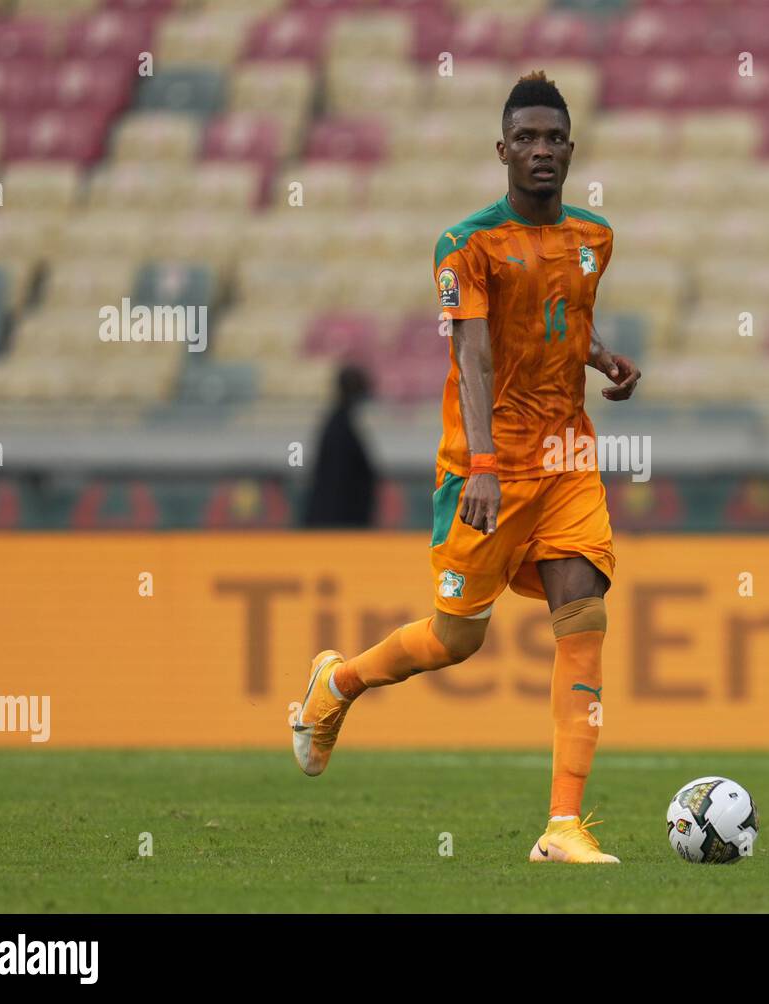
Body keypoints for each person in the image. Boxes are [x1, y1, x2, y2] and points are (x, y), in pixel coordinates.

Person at [290, 71, 642, 864]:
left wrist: (603, 358)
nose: (542, 151)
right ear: (502, 151)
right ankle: (336, 685)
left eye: (554, 139)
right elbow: (475, 352)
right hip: (484, 464)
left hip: (566, 457)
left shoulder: (595, 238)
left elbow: (559, 319)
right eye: (527, 139)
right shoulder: (467, 245)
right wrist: (483, 462)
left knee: (583, 616)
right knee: (456, 639)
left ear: (571, 149)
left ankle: (562, 827)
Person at [301, 364, 377, 528]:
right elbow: (338, 484)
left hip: (332, 520)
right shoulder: (340, 427)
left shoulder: (339, 423)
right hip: (337, 523)